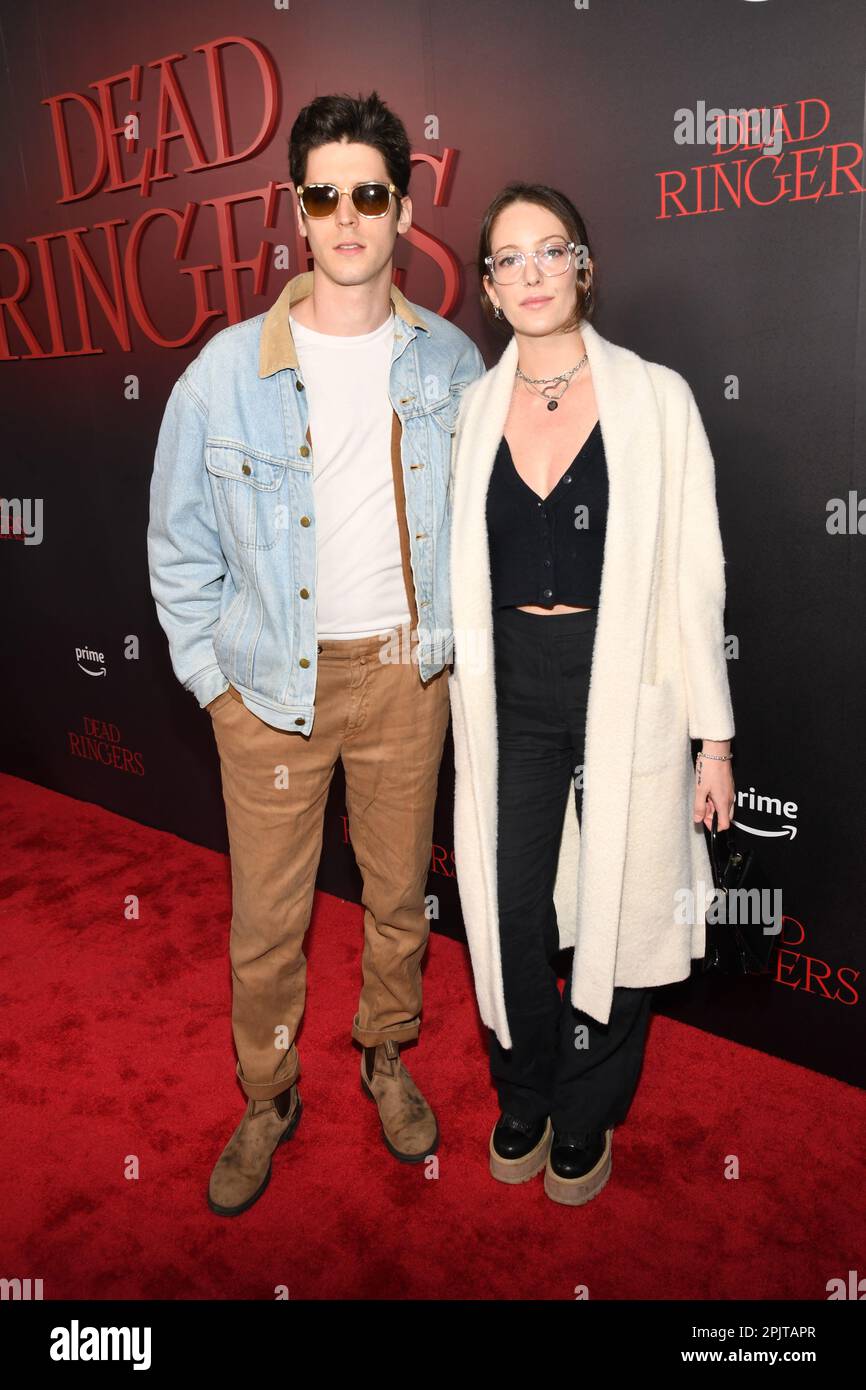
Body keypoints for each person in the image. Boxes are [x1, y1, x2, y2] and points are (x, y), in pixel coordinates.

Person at [147, 91, 485, 1217]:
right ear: (297, 208)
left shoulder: (450, 361)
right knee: (267, 920)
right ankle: (268, 1091)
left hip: (404, 676)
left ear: (401, 208)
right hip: (270, 687)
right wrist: (215, 688)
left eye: (369, 194)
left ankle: (385, 1056)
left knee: (397, 902)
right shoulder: (222, 371)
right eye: (325, 194)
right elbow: (179, 550)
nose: (347, 217)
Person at [448, 183, 736, 1206]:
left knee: (619, 900)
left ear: (583, 264)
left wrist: (712, 741)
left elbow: (695, 578)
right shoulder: (471, 410)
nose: (528, 274)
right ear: (485, 287)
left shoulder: (656, 398)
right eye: (506, 259)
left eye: (548, 251)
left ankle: (585, 1111)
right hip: (510, 690)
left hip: (627, 685)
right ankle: (520, 1088)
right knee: (509, 906)